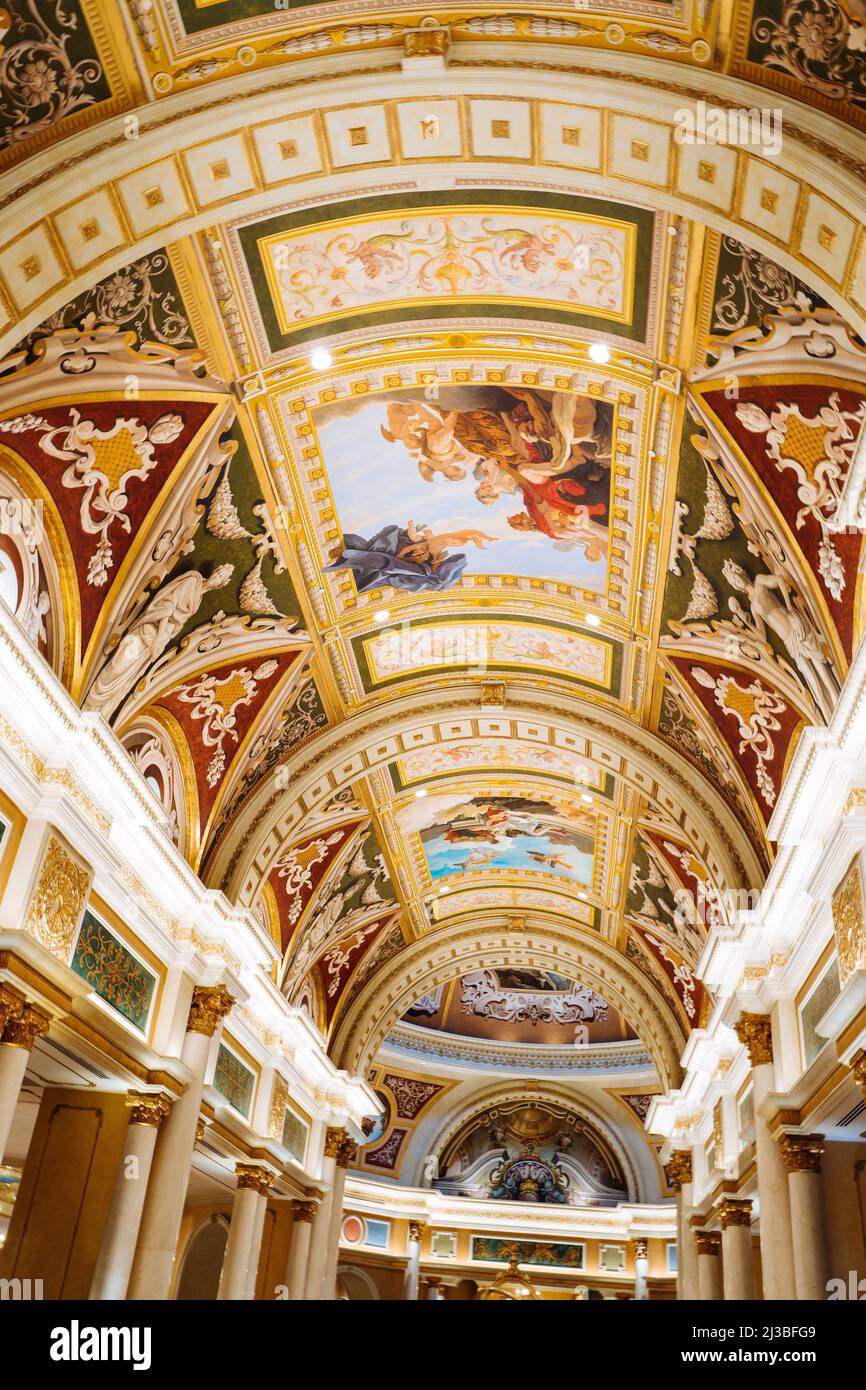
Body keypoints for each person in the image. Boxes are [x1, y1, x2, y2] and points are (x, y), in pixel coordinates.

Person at [87, 563, 235, 721]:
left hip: (161, 638)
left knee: (130, 675)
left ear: (221, 584)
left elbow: (178, 622)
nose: (216, 577)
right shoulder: (193, 580)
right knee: (119, 665)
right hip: (152, 629)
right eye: (218, 573)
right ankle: (90, 702)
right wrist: (158, 637)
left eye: (221, 577)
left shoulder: (198, 599)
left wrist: (162, 640)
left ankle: (101, 710)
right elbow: (167, 605)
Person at [325, 521, 497, 593]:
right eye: (455, 541)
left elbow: (467, 535)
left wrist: (480, 539)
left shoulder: (436, 550)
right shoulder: (431, 541)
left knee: (384, 566)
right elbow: (414, 542)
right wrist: (402, 552)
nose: (455, 543)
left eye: (457, 543)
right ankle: (351, 559)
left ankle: (353, 560)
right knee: (382, 560)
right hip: (399, 553)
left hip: (407, 561)